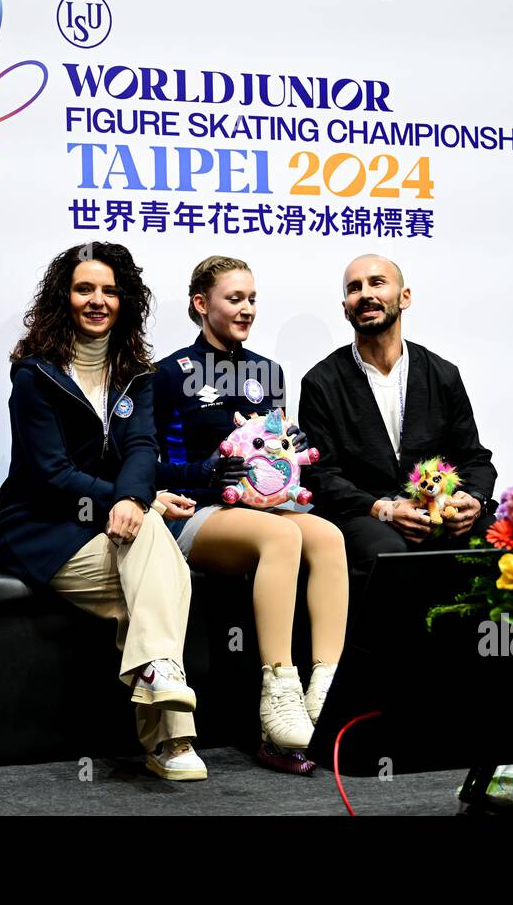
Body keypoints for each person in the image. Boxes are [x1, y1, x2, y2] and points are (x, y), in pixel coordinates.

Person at [0, 241, 205, 782]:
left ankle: (158, 679)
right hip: (44, 528)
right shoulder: (34, 377)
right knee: (165, 573)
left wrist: (133, 498)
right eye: (85, 288)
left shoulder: (137, 373)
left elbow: (141, 450)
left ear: (124, 300)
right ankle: (172, 743)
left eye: (109, 290)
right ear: (64, 297)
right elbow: (51, 474)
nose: (97, 300)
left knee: (149, 569)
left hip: (116, 524)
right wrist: (132, 500)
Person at [152, 255, 349, 769]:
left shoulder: (268, 370)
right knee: (281, 539)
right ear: (201, 304)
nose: (246, 309)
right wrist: (209, 469)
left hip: (261, 508)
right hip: (193, 512)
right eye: (234, 299)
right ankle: (278, 691)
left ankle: (324, 688)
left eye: (252, 299)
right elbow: (151, 465)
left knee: (327, 536)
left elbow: (277, 453)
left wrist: (293, 446)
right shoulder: (169, 373)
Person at [298, 253, 498, 602]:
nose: (365, 294)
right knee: (389, 555)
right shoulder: (321, 382)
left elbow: (476, 459)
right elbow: (319, 475)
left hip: (439, 511)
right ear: (346, 308)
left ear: (404, 297)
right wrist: (383, 509)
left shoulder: (442, 374)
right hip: (364, 514)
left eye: (377, 283)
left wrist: (474, 501)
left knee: (498, 539)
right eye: (354, 288)